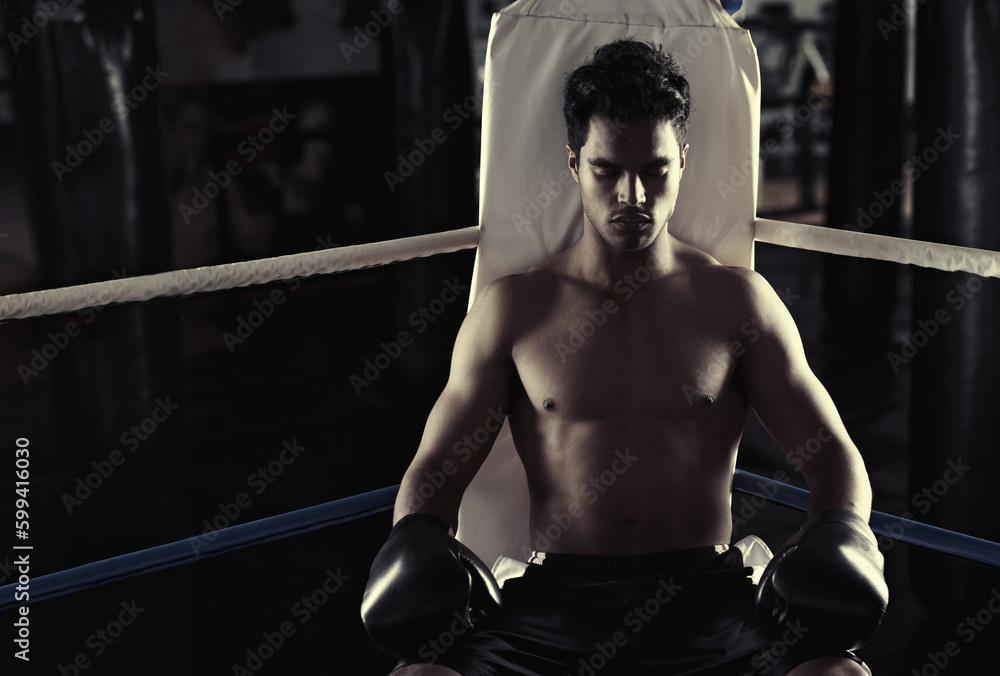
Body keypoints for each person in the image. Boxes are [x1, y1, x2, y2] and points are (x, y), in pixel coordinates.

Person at [362, 39, 887, 676]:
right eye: (607, 170)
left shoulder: (737, 303)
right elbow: (436, 472)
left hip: (707, 598)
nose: (632, 195)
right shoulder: (515, 311)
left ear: (684, 161)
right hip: (554, 604)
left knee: (836, 674)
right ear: (574, 163)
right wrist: (416, 540)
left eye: (655, 170)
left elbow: (832, 454)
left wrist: (841, 534)